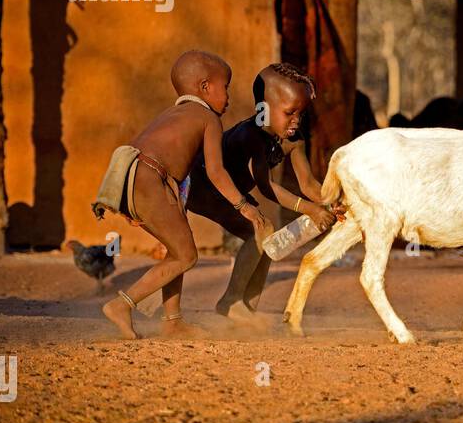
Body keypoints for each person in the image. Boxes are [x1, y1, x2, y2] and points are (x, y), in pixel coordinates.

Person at [92, 51, 271, 339]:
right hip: (151, 178)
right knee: (186, 255)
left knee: (177, 251)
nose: (228, 97)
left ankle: (172, 321)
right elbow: (215, 171)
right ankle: (121, 305)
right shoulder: (208, 118)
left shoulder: (173, 114)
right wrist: (243, 205)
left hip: (134, 174)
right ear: (204, 87)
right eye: (225, 87)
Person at [186, 63, 338, 321]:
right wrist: (310, 209)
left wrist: (333, 201)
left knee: (267, 240)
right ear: (263, 110)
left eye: (301, 114)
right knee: (258, 231)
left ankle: (247, 307)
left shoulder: (294, 139)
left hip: (233, 192)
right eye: (290, 113)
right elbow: (266, 187)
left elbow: (308, 184)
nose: (296, 121)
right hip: (203, 185)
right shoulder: (251, 135)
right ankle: (231, 301)